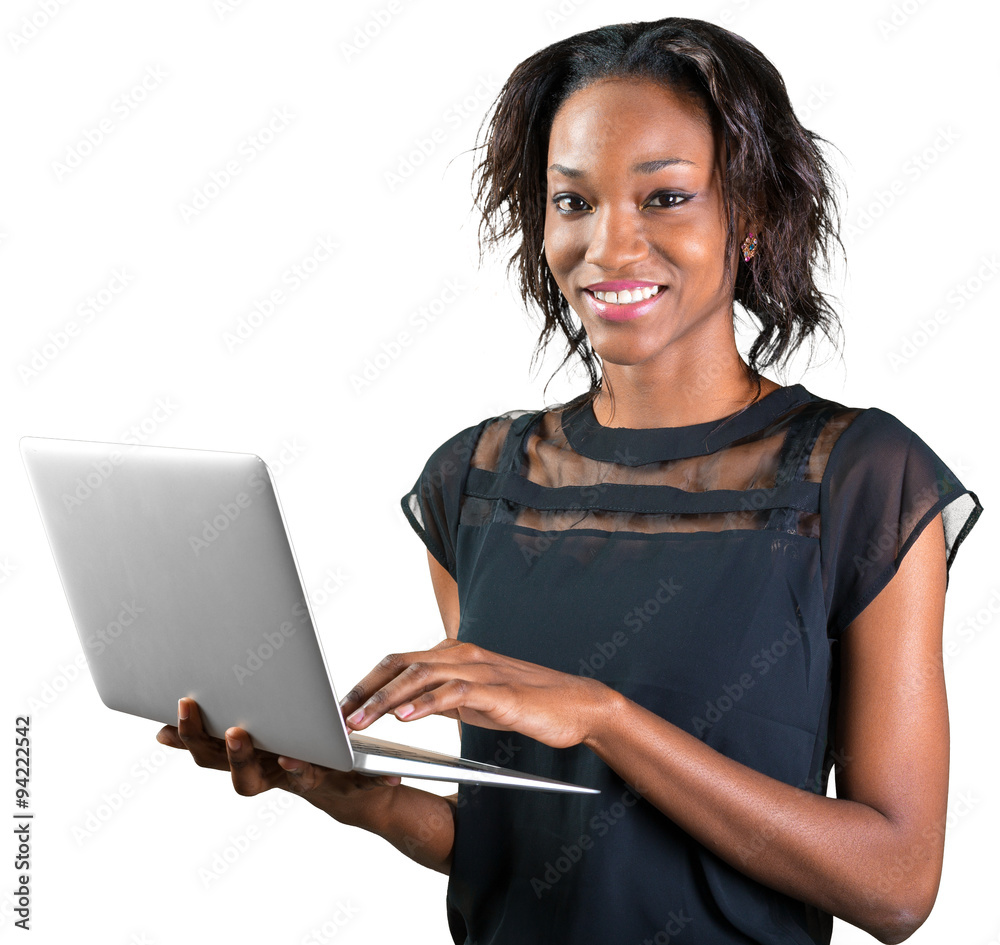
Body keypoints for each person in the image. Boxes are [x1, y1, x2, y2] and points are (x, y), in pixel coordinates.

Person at [155, 17, 983, 945]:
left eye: (665, 197)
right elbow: (520, 839)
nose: (610, 246)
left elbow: (897, 885)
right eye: (574, 202)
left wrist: (603, 717)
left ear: (751, 217)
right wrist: (363, 797)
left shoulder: (861, 478)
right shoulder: (475, 481)